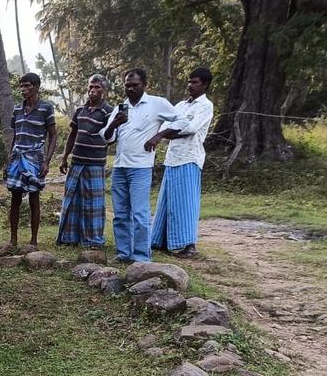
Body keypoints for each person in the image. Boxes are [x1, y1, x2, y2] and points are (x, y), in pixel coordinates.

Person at [102, 68, 181, 263]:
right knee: (120, 214)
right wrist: (114, 124)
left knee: (139, 214)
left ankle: (141, 257)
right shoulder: (121, 108)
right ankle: (124, 253)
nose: (130, 89)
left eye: (134, 85)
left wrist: (159, 135)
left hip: (141, 168)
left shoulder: (157, 104)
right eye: (127, 85)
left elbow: (182, 120)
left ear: (144, 85)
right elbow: (105, 137)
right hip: (120, 167)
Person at [149, 68, 215, 258]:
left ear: (205, 84)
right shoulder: (181, 105)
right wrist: (166, 131)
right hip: (172, 157)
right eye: (189, 82)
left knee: (186, 202)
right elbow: (165, 124)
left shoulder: (205, 105)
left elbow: (191, 128)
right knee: (167, 201)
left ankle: (189, 245)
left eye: (194, 82)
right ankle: (161, 241)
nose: (190, 86)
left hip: (189, 157)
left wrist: (163, 134)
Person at [57, 75, 115, 249]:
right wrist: (65, 156)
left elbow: (110, 138)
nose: (92, 91)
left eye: (97, 87)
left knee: (93, 204)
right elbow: (72, 135)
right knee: (72, 199)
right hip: (77, 161)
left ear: (103, 90)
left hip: (95, 163)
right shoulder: (80, 110)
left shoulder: (108, 111)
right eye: (90, 87)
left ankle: (92, 240)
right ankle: (70, 237)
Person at [5, 73, 58, 249]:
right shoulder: (17, 109)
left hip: (36, 158)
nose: (23, 90)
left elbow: (53, 135)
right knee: (15, 198)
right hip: (17, 157)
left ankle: (34, 240)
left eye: (27, 86)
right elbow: (15, 135)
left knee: (34, 198)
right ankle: (13, 239)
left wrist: (47, 161)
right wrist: (9, 160)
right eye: (21, 86)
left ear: (36, 86)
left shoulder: (46, 108)